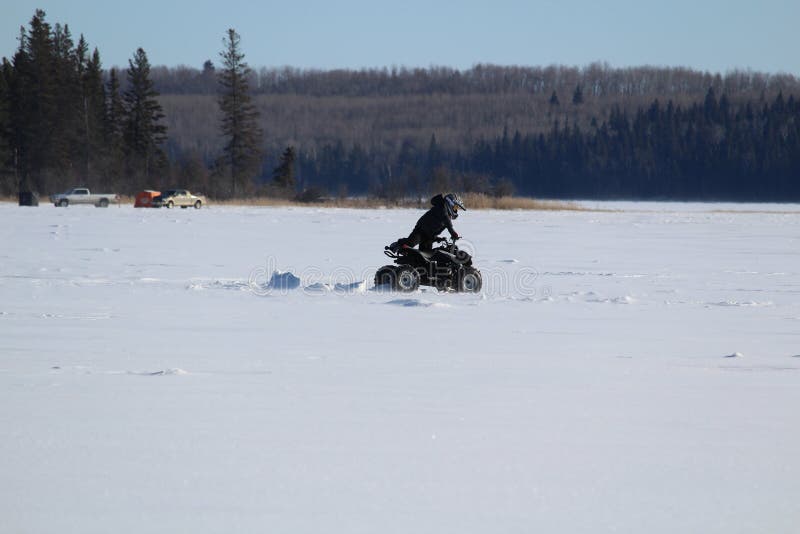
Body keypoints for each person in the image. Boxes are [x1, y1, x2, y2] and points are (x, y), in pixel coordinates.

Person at [392, 193, 466, 252]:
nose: (456, 210)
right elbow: (447, 223)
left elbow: (435, 227)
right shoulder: (441, 209)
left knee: (427, 256)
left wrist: (437, 238)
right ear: (450, 203)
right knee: (411, 243)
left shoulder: (446, 214)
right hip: (421, 231)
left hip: (429, 236)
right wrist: (453, 233)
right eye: (455, 207)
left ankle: (421, 269)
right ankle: (398, 244)